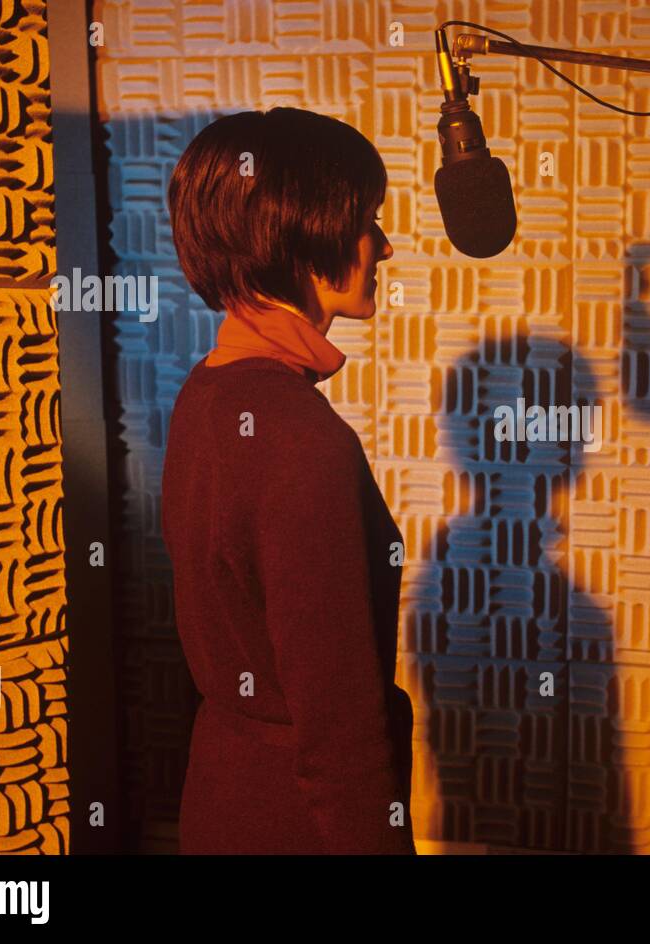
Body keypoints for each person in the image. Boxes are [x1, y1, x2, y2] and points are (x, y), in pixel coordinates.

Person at [160, 107, 414, 854]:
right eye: (365, 220)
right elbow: (338, 729)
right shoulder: (304, 441)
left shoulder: (203, 395)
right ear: (301, 235)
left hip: (221, 803)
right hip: (303, 826)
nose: (385, 246)